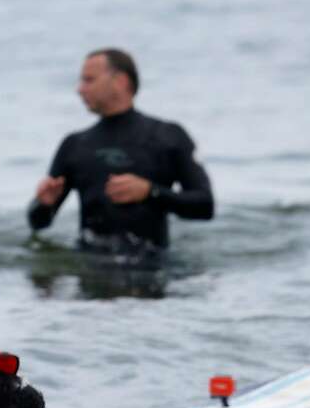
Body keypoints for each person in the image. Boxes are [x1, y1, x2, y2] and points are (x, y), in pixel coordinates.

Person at [27, 48, 214, 259]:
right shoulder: (74, 144)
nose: (80, 89)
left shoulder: (168, 136)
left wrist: (150, 192)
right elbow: (38, 223)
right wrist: (44, 204)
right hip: (91, 269)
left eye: (89, 80)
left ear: (120, 81)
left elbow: (205, 206)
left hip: (152, 268)